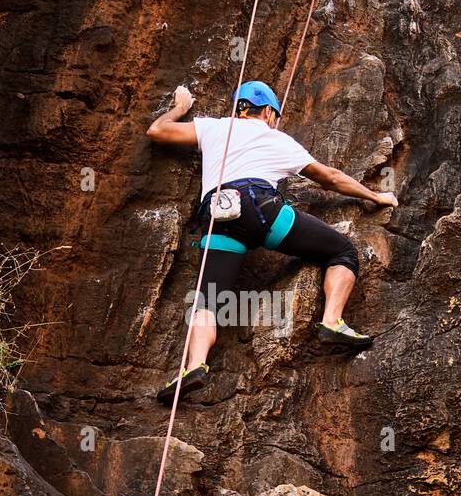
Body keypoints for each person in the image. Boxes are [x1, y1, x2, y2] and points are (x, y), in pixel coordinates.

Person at [147, 80, 398, 403]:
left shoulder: (213, 128)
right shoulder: (275, 138)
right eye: (275, 116)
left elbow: (156, 131)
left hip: (219, 217)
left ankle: (195, 365)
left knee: (207, 302)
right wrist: (375, 195)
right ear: (268, 112)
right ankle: (332, 321)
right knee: (342, 251)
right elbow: (331, 178)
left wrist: (181, 108)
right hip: (262, 211)